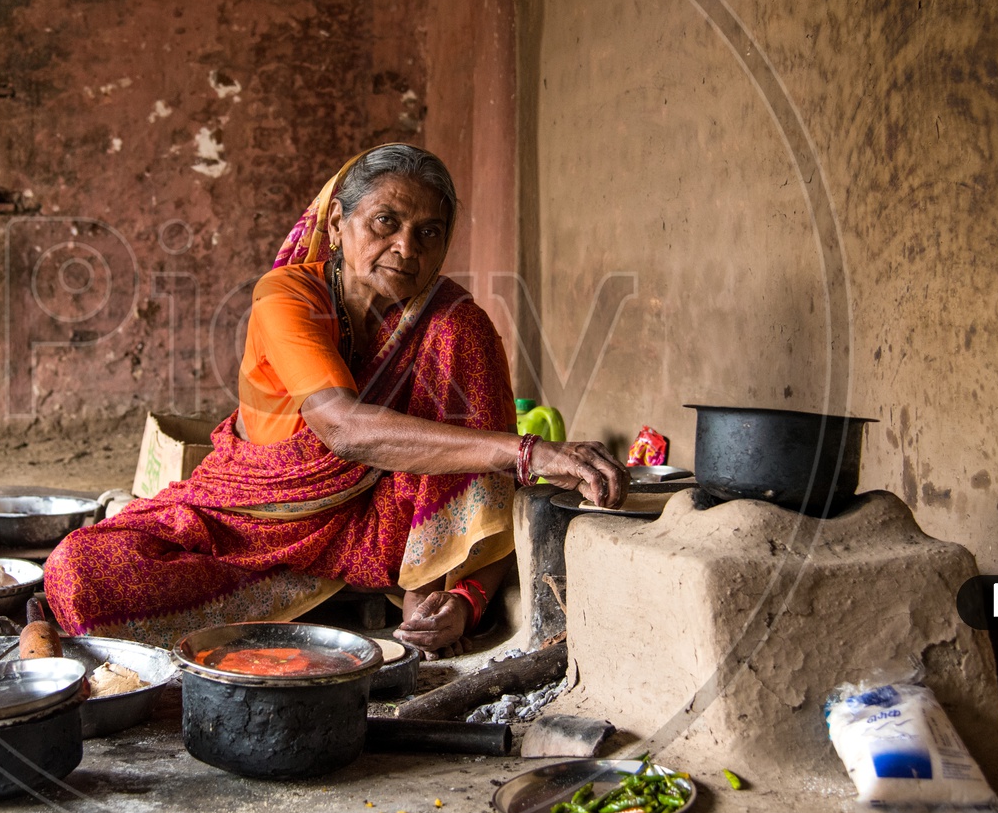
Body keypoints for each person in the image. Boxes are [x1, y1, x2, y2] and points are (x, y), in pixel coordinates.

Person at [44, 143, 627, 656]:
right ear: (340, 222)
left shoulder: (449, 325)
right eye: (386, 221)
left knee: (460, 344)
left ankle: (423, 597)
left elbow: (482, 478)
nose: (405, 247)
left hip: (370, 529)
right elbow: (342, 428)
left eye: (429, 232)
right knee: (79, 573)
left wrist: (470, 600)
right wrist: (529, 453)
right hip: (247, 520)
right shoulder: (287, 296)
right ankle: (309, 607)